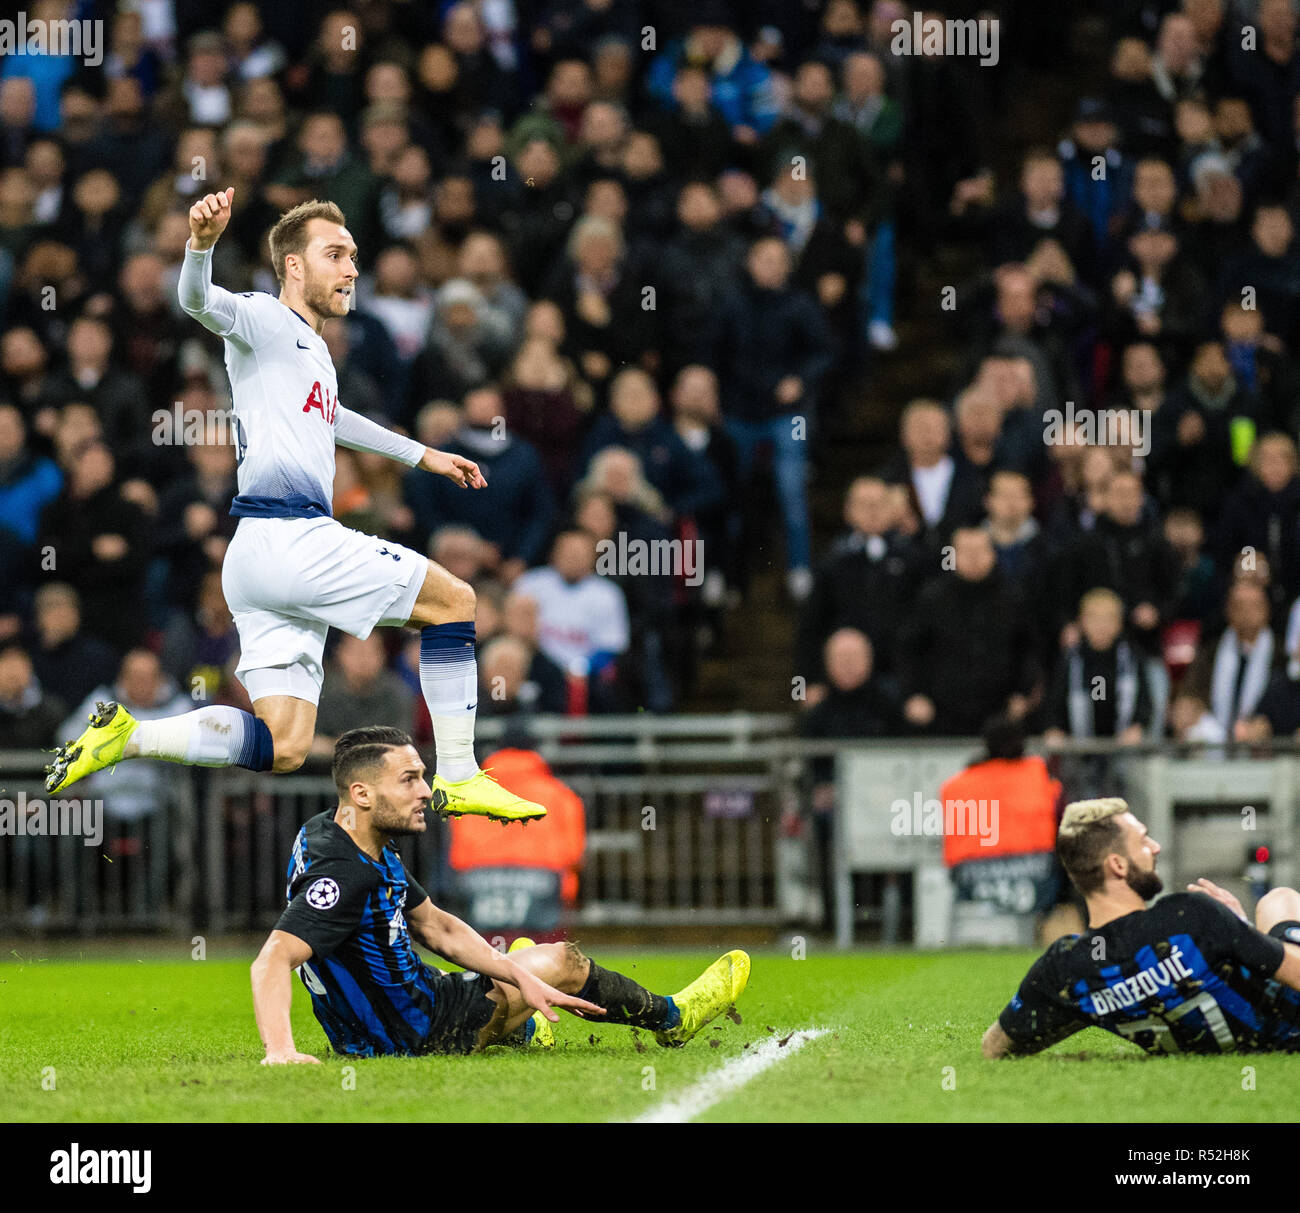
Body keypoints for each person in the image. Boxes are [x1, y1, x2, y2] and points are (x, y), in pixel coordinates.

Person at [45, 191, 542, 823]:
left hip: (255, 558)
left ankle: (132, 735)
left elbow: (334, 418)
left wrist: (422, 455)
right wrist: (201, 246)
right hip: (292, 536)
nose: (351, 269)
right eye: (335, 254)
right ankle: (463, 775)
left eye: (354, 256)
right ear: (293, 268)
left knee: (283, 745)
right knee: (457, 602)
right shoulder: (266, 317)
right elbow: (198, 302)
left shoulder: (310, 353)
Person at [250, 726, 750, 1061]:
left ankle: (530, 1021)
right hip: (419, 1030)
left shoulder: (331, 831)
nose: (427, 791)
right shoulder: (346, 874)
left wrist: (509, 972)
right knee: (564, 961)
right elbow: (271, 960)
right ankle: (673, 1018)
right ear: (361, 793)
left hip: (386, 1018)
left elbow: (435, 924)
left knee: (509, 966)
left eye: (422, 776)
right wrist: (281, 1051)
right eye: (410, 780)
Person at [982, 797, 1300, 1057]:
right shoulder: (1190, 915)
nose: (1156, 847)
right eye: (1143, 841)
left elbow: (993, 1048)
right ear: (1118, 865)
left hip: (1201, 1042)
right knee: (1278, 900)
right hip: (1288, 1032)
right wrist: (1239, 926)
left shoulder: (1065, 968)